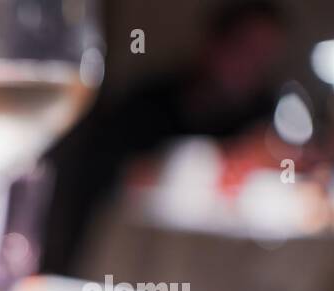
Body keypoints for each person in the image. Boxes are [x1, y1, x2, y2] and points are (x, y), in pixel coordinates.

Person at [42, 0, 289, 275]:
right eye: (245, 50)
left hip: (224, 273)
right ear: (215, 43)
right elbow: (107, 176)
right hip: (131, 269)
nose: (252, 66)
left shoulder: (263, 113)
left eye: (264, 57)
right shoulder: (149, 103)